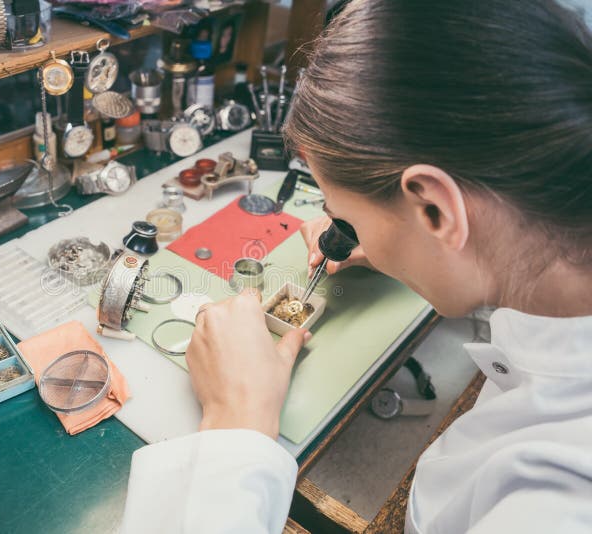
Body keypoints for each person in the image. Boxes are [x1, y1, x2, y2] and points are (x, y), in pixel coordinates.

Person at [121, 0, 592, 532]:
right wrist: (405, 242)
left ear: (435, 211)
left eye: (346, 218)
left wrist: (237, 420)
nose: (342, 233)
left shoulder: (556, 503)